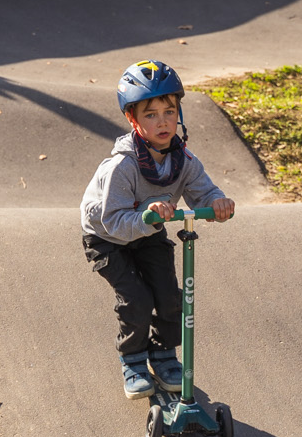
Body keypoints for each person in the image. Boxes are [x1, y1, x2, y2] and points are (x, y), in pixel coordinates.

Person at [80, 60, 235, 398]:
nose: (163, 121)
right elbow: (113, 221)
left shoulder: (184, 160)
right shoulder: (122, 166)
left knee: (169, 296)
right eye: (150, 115)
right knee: (137, 299)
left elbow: (203, 192)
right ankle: (133, 360)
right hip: (107, 237)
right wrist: (147, 216)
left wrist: (218, 203)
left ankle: (164, 354)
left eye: (169, 111)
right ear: (132, 119)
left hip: (148, 233)